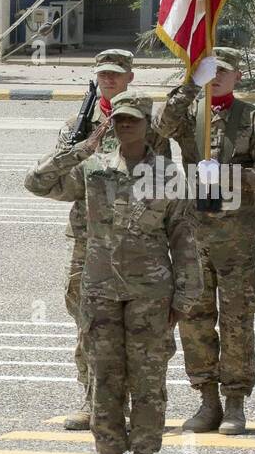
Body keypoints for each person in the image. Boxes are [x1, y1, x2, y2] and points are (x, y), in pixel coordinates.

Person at [25, 91, 201, 454]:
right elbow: (36, 183)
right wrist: (79, 149)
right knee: (104, 380)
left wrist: (185, 296)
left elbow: (184, 239)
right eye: (118, 120)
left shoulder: (167, 175)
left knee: (148, 382)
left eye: (132, 120)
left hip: (150, 294)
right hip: (100, 290)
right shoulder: (93, 168)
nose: (124, 126)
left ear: (147, 125)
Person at [155, 47, 255, 435]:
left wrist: (231, 175)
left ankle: (236, 403)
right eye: (211, 70)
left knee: (237, 318)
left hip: (235, 237)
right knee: (194, 317)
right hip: (193, 232)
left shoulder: (253, 118)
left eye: (223, 71)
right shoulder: (192, 112)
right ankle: (206, 398)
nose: (217, 76)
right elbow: (162, 125)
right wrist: (190, 85)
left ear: (238, 75)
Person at [50, 49, 171, 430]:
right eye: (103, 74)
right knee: (88, 318)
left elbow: (160, 179)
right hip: (89, 235)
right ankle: (91, 397)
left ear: (130, 78)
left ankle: (139, 402)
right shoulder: (78, 123)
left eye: (116, 74)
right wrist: (80, 151)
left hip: (135, 238)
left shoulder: (144, 124)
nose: (109, 80)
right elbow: (58, 183)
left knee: (139, 324)